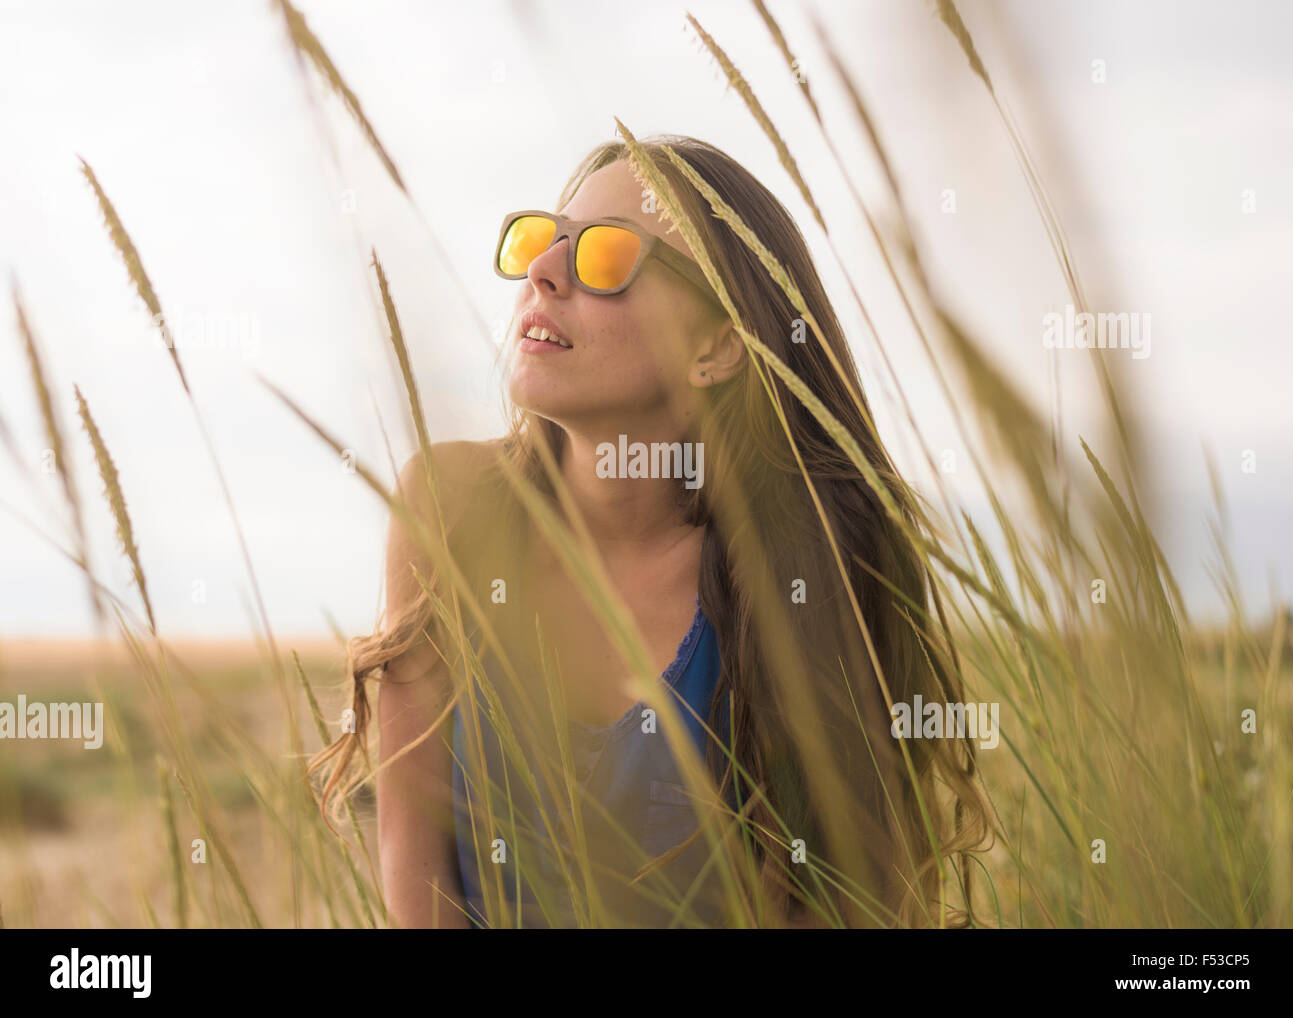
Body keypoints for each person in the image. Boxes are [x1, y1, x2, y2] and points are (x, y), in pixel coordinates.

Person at [309, 134, 991, 929]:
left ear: (719, 346)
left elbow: (840, 899)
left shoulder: (813, 562)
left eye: (604, 259)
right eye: (543, 240)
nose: (543, 273)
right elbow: (416, 877)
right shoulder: (449, 507)